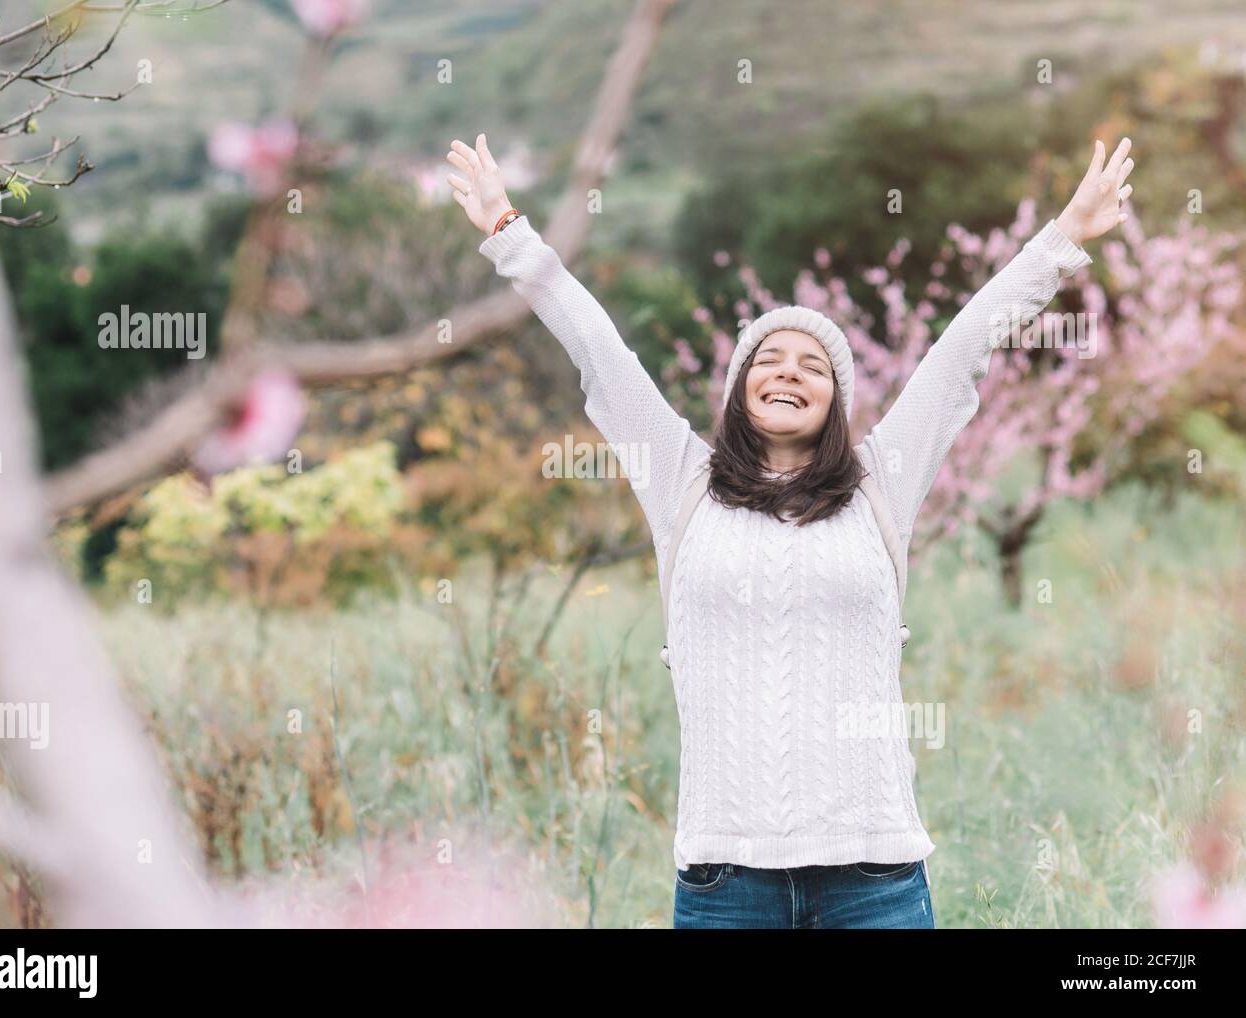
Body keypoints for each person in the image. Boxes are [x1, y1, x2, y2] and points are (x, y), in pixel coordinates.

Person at [447, 133, 1135, 928]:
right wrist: (509, 231)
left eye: (813, 367)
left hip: (873, 876)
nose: (788, 372)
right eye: (767, 360)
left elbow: (963, 350)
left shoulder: (881, 481)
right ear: (739, 390)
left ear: (835, 404)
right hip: (725, 880)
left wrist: (1064, 238)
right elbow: (599, 351)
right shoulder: (682, 481)